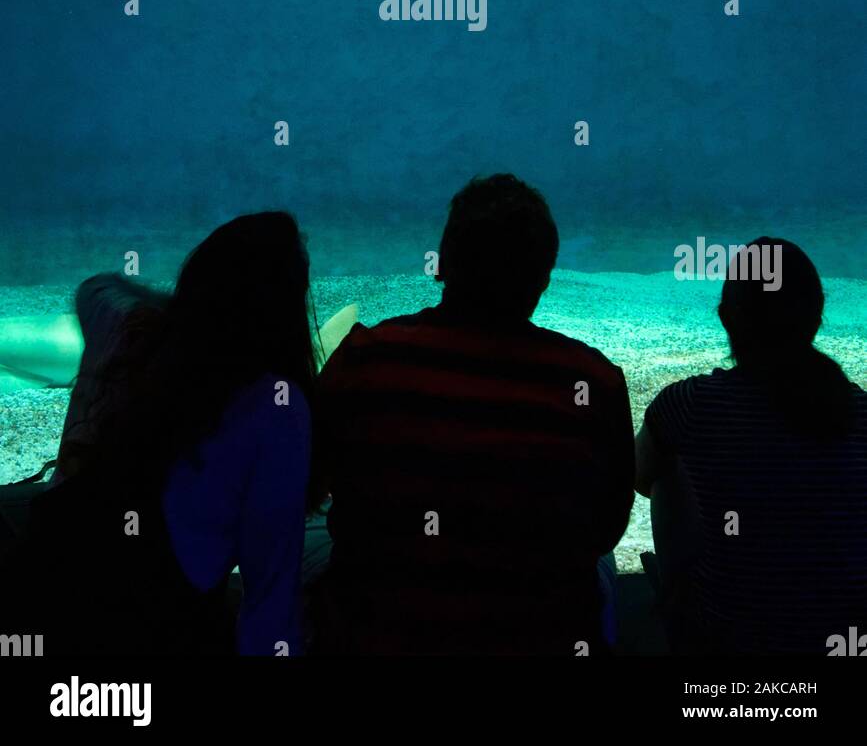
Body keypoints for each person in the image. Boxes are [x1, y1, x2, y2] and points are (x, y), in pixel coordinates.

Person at [314, 174, 634, 655]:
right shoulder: (593, 380)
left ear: (441, 265)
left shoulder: (363, 357)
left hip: (380, 632)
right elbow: (607, 526)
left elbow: (315, 482)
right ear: (545, 277)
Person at [1, 212, 319, 655]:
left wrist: (179, 312)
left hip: (38, 575)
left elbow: (95, 287)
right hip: (134, 622)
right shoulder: (276, 407)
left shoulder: (140, 338)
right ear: (290, 307)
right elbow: (270, 597)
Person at [635, 238, 867, 655]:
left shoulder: (690, 405)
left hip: (728, 640)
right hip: (849, 642)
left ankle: (677, 606)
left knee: (667, 474)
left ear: (727, 318)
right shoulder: (861, 411)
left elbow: (637, 475)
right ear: (817, 320)